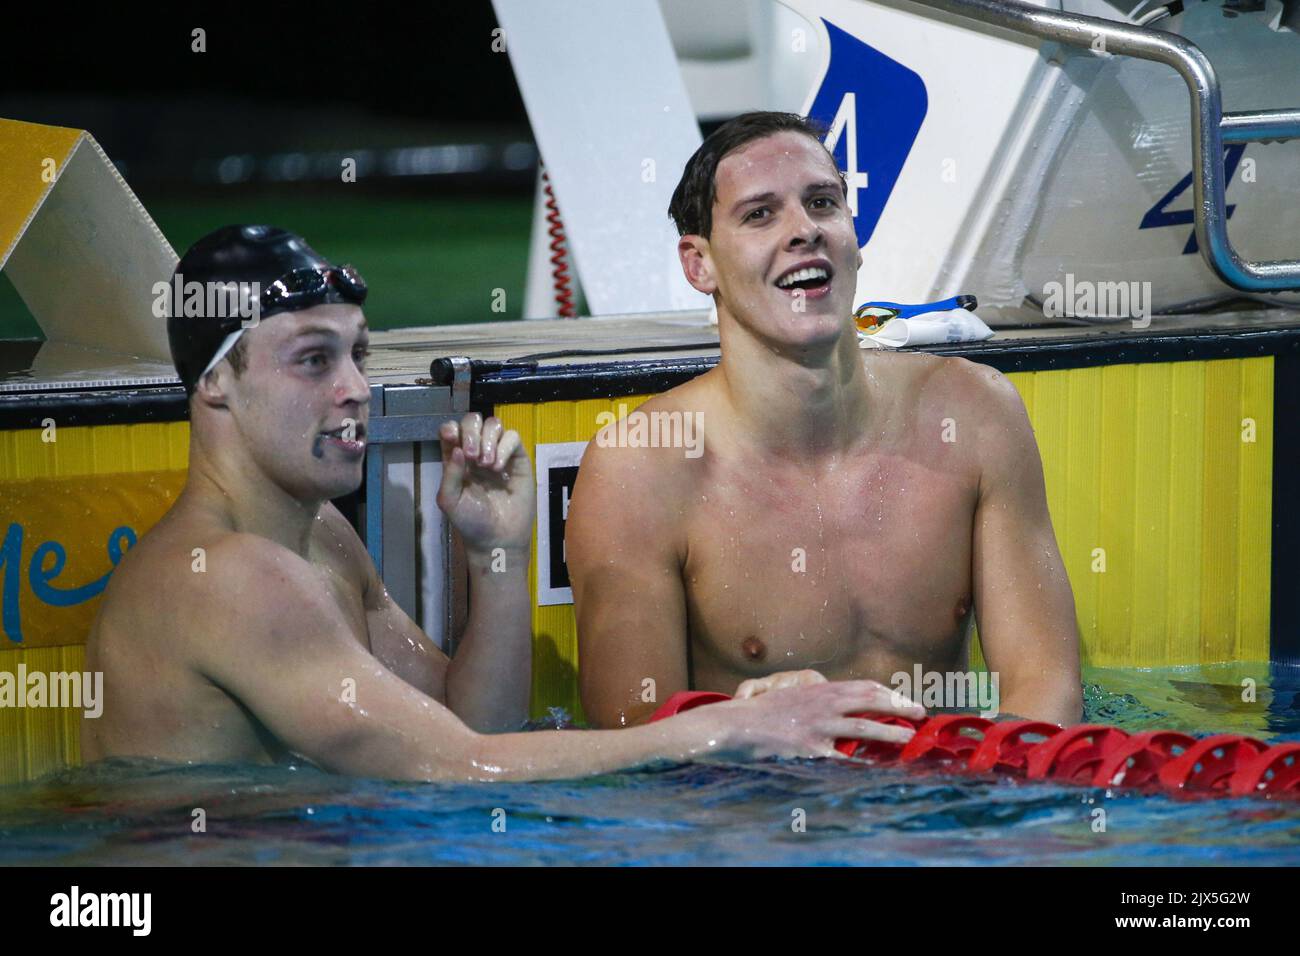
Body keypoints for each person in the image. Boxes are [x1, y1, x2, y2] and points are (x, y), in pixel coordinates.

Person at [82, 224, 915, 782]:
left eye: (358, 356)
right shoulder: (228, 580)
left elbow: (469, 721)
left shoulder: (320, 539)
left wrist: (497, 556)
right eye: (312, 362)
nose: (355, 391)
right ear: (217, 384)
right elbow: (461, 765)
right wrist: (730, 730)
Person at [567, 113, 1083, 729]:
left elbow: (1045, 687)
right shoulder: (640, 468)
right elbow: (630, 748)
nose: (804, 230)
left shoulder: (973, 413)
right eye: (760, 214)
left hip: (947, 801)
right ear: (699, 264)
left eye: (822, 203)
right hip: (752, 810)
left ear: (853, 234)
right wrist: (742, 725)